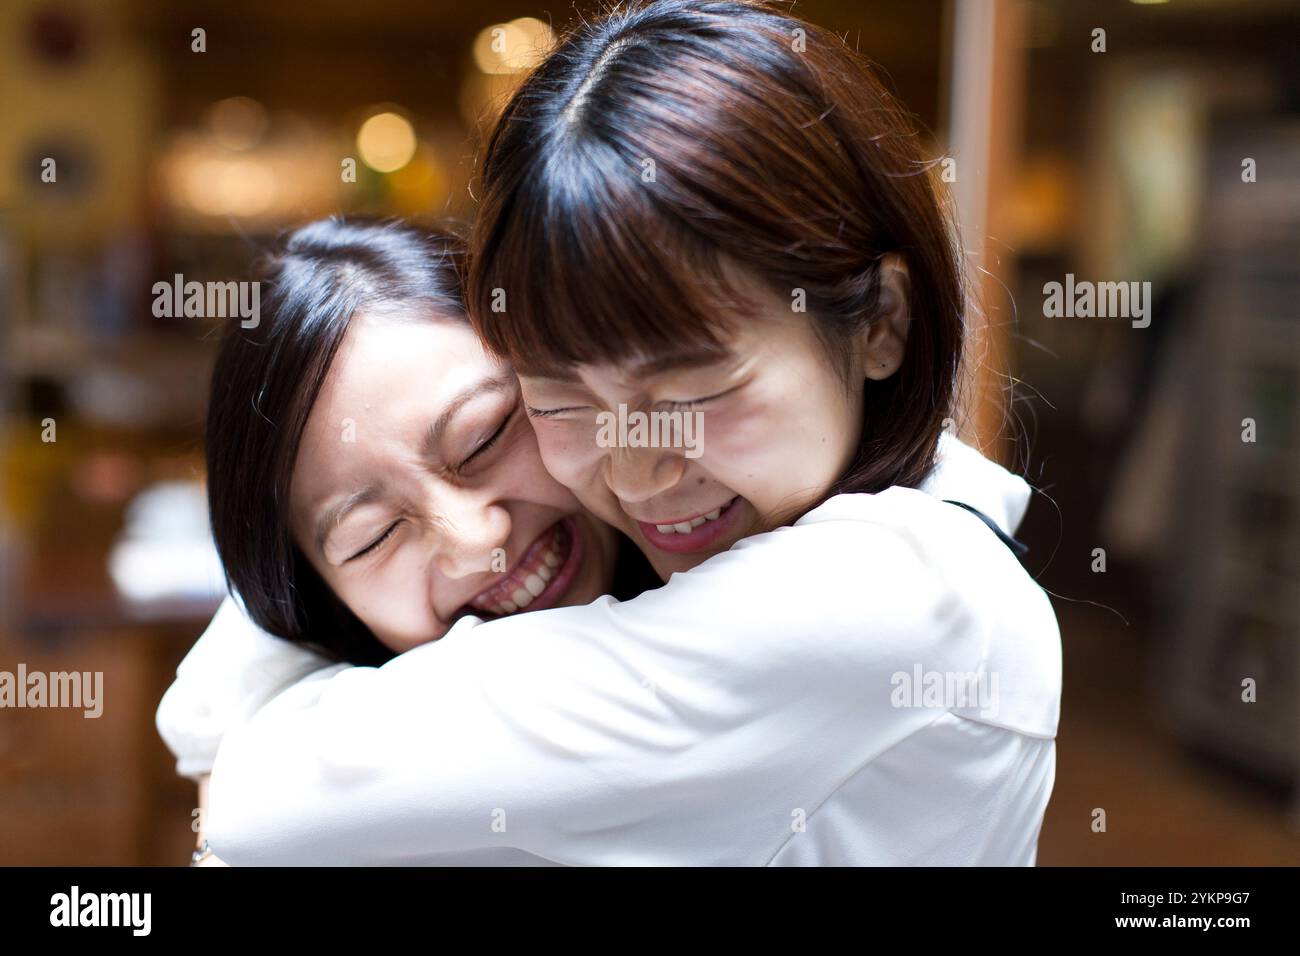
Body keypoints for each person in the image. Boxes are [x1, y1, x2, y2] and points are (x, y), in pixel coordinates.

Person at [166, 0, 1061, 866]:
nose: (636, 476)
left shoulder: (888, 605)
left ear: (880, 324)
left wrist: (221, 740)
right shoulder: (861, 535)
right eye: (559, 401)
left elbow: (255, 802)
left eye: (693, 388)